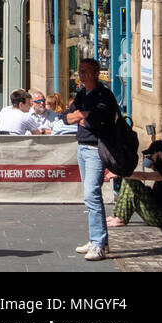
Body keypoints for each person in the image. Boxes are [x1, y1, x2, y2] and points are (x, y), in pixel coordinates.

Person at [65, 58, 120, 261]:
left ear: (96, 72)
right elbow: (66, 117)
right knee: (89, 196)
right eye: (80, 71)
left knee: (92, 194)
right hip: (82, 148)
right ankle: (97, 239)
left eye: (86, 71)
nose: (82, 74)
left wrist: (83, 117)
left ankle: (98, 244)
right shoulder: (81, 94)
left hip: (96, 150)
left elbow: (97, 120)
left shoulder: (104, 95)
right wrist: (81, 116)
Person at [109, 140, 162, 229]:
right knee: (134, 182)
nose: (150, 158)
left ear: (161, 154)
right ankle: (118, 216)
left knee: (132, 182)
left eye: (152, 155)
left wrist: (120, 173)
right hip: (157, 214)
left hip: (160, 218)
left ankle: (120, 219)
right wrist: (153, 165)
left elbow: (144, 176)